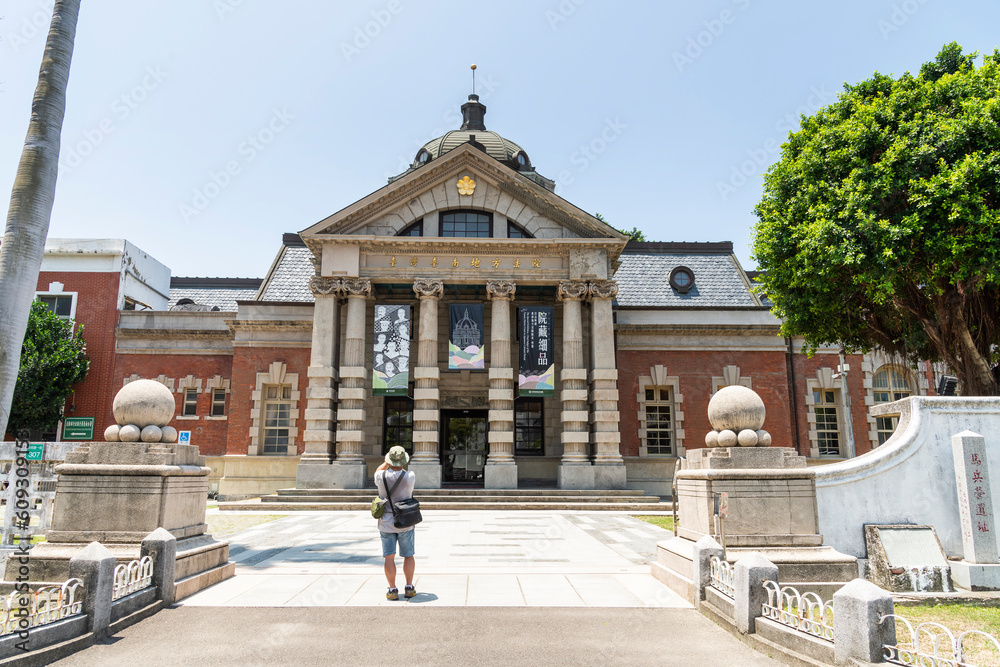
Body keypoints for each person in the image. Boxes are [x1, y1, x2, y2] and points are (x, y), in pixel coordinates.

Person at [374, 445, 416, 600]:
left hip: (386, 522)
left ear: (388, 459)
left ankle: (392, 590)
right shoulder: (409, 476)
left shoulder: (380, 476)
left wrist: (387, 462)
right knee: (408, 555)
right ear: (403, 461)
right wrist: (399, 464)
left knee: (389, 557)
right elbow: (403, 471)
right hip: (405, 521)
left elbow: (378, 470)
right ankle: (409, 587)